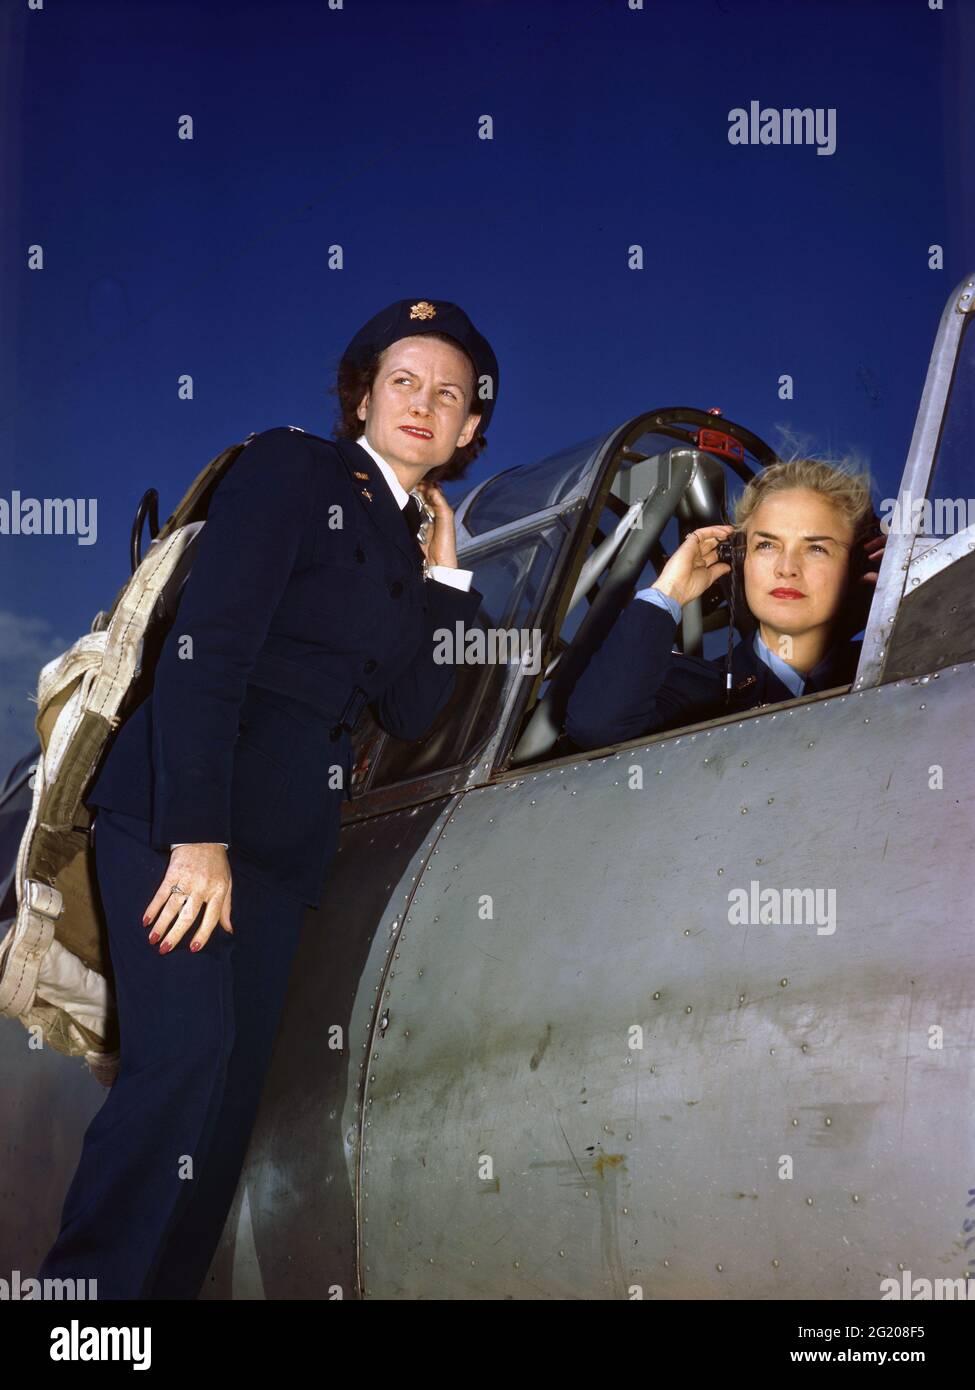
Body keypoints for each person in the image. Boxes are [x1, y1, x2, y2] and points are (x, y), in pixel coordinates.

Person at [36, 297, 497, 1300]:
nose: (423, 403)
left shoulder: (406, 543)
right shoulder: (295, 467)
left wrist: (449, 583)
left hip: (283, 849)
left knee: (223, 1113)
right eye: (403, 381)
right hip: (188, 810)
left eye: (448, 394)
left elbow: (412, 705)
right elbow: (210, 644)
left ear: (468, 431)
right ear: (363, 397)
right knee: (180, 1071)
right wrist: (196, 836)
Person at [564, 458, 885, 751]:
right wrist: (669, 590)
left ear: (858, 565)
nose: (786, 568)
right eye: (767, 545)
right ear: (741, 558)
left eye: (816, 548)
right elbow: (598, 727)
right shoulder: (688, 685)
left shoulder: (897, 668)